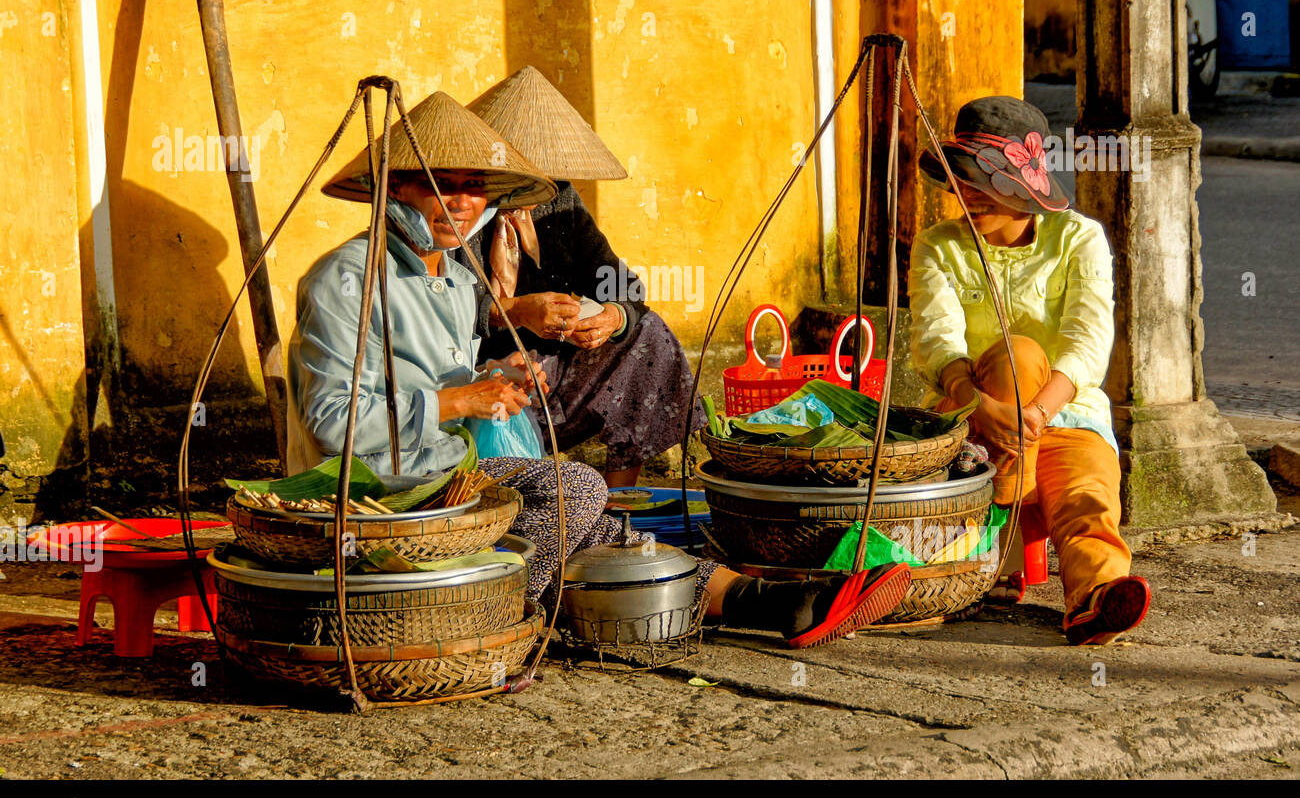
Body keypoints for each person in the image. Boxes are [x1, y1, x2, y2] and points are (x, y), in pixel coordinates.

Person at [287, 88, 910, 646]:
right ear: (396, 186)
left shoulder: (449, 273)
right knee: (578, 491)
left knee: (608, 535)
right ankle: (489, 606)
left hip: (453, 466)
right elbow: (332, 423)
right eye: (439, 185)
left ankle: (771, 603)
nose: (461, 202)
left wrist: (498, 379)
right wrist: (463, 401)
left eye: (474, 185)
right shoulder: (347, 281)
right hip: (383, 491)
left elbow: (607, 294)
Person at [908, 95, 1150, 646]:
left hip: (1063, 417)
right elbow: (934, 340)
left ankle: (1096, 596)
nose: (966, 191)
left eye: (981, 179)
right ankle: (1001, 539)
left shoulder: (1079, 239)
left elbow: (1088, 340)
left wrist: (1034, 415)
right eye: (961, 178)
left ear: (1022, 184)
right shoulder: (937, 246)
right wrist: (977, 403)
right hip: (970, 426)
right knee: (1015, 356)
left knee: (1088, 500)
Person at [464, 66, 702, 489]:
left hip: (551, 378)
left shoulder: (559, 201)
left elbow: (623, 285)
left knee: (646, 331)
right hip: (480, 382)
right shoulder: (460, 212)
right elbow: (442, 311)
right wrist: (515, 312)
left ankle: (618, 501)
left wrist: (611, 317)